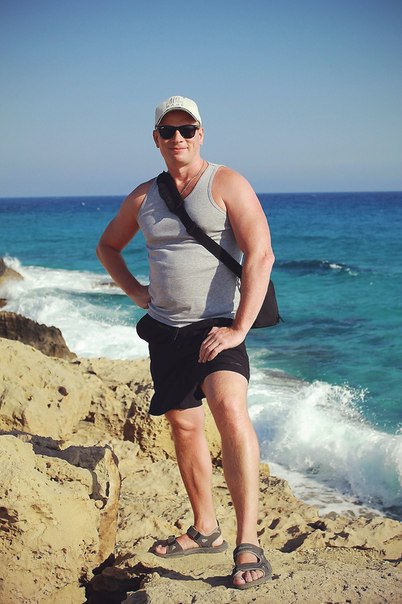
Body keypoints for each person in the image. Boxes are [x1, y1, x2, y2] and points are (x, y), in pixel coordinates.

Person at [96, 95, 275, 589]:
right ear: (155, 139)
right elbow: (108, 246)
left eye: (187, 129)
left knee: (230, 409)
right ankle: (205, 529)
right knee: (184, 425)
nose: (178, 138)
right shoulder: (143, 197)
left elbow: (261, 255)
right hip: (166, 330)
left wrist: (239, 328)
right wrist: (137, 292)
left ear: (201, 134)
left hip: (218, 326)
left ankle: (248, 542)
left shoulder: (228, 183)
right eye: (168, 131)